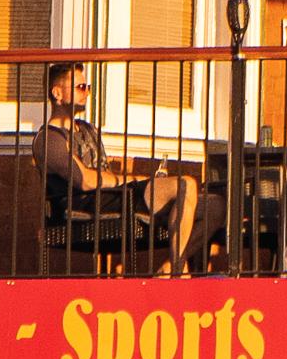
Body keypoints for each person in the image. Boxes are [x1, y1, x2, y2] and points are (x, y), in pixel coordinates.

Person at [35, 60, 201, 267]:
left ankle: (169, 269)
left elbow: (101, 174)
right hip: (86, 204)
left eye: (87, 87)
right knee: (185, 185)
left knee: (214, 206)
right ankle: (179, 272)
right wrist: (135, 181)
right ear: (57, 93)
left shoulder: (87, 129)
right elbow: (85, 180)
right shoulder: (49, 138)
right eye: (80, 87)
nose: (86, 93)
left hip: (115, 196)